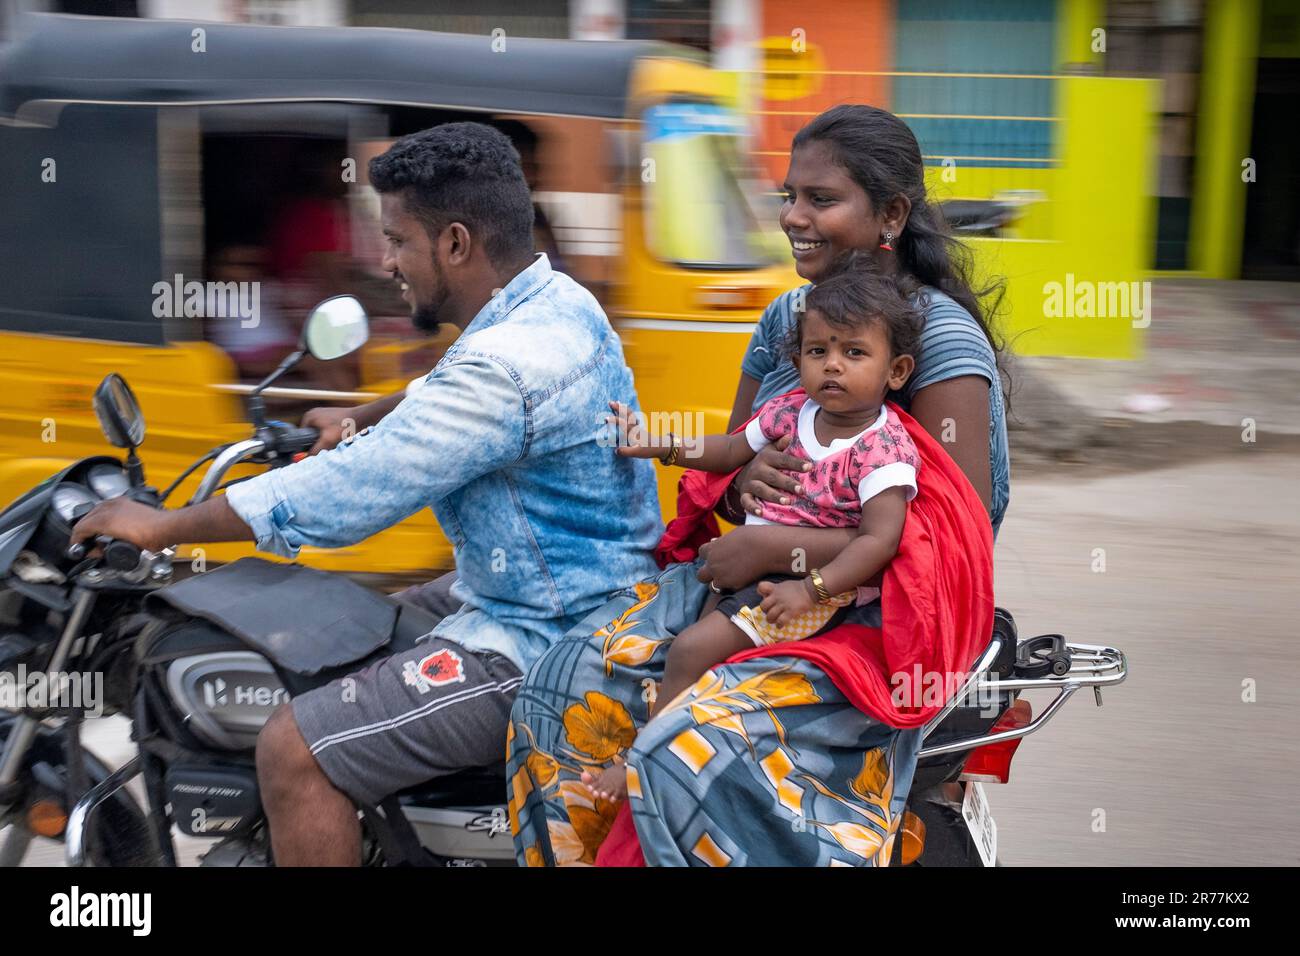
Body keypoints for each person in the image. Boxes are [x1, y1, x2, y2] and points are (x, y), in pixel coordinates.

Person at [72, 122, 662, 866]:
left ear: (454, 243)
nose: (385, 262)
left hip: (548, 640)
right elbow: (457, 391)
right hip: (584, 596)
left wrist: (163, 526)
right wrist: (362, 411)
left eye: (397, 240)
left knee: (294, 749)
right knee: (355, 624)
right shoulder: (556, 302)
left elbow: (349, 494)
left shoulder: (505, 365)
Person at [506, 103, 1011, 867]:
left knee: (692, 747)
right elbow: (733, 465)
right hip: (744, 587)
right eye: (788, 195)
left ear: (892, 214)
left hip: (868, 621)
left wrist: (788, 548)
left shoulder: (935, 339)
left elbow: (950, 548)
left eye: (821, 199)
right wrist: (738, 482)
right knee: (561, 687)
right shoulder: (785, 319)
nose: (793, 218)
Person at [582, 258, 924, 803]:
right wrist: (655, 443)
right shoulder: (791, 411)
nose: (832, 366)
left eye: (854, 353)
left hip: (806, 592)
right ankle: (671, 754)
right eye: (819, 351)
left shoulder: (883, 452)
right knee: (666, 652)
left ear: (896, 370)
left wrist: (808, 589)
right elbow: (727, 449)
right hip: (745, 572)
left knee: (691, 652)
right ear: (799, 359)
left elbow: (878, 542)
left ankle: (639, 765)